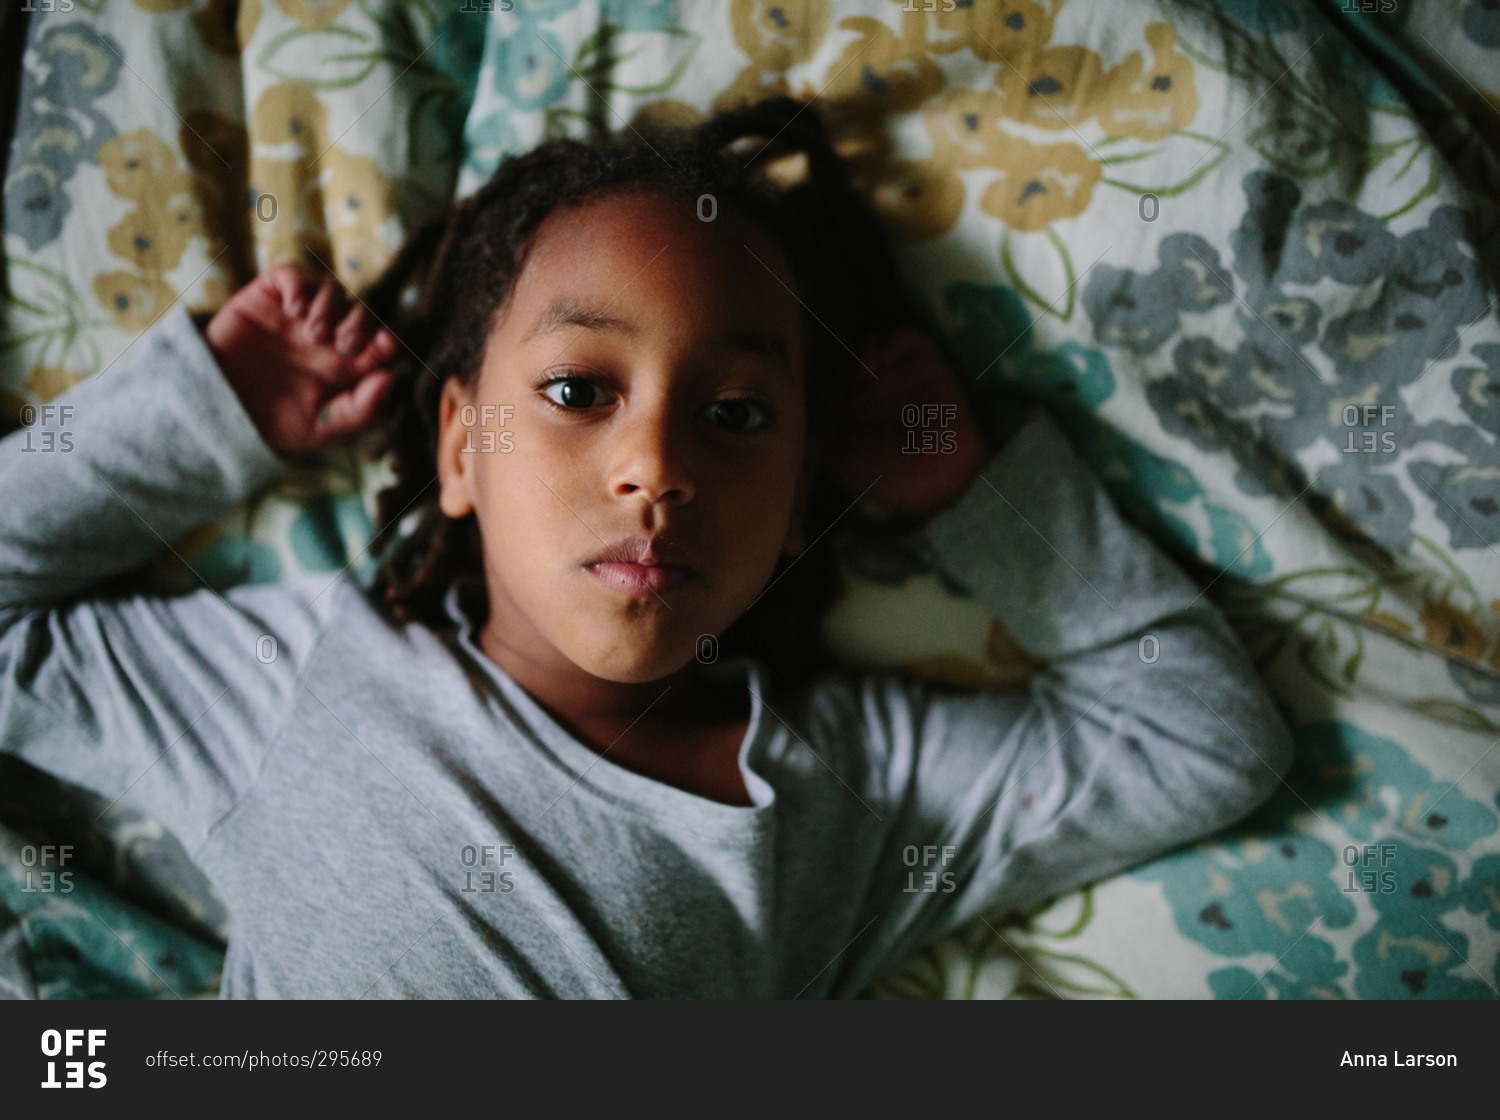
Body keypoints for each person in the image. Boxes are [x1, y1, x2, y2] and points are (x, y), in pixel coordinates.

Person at [0, 98, 1293, 998]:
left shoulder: (854, 795)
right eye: (577, 392)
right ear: (458, 449)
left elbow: (1201, 741)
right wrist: (201, 418)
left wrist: (962, 494)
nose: (657, 469)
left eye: (735, 417)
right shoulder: (294, 683)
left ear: (800, 504)